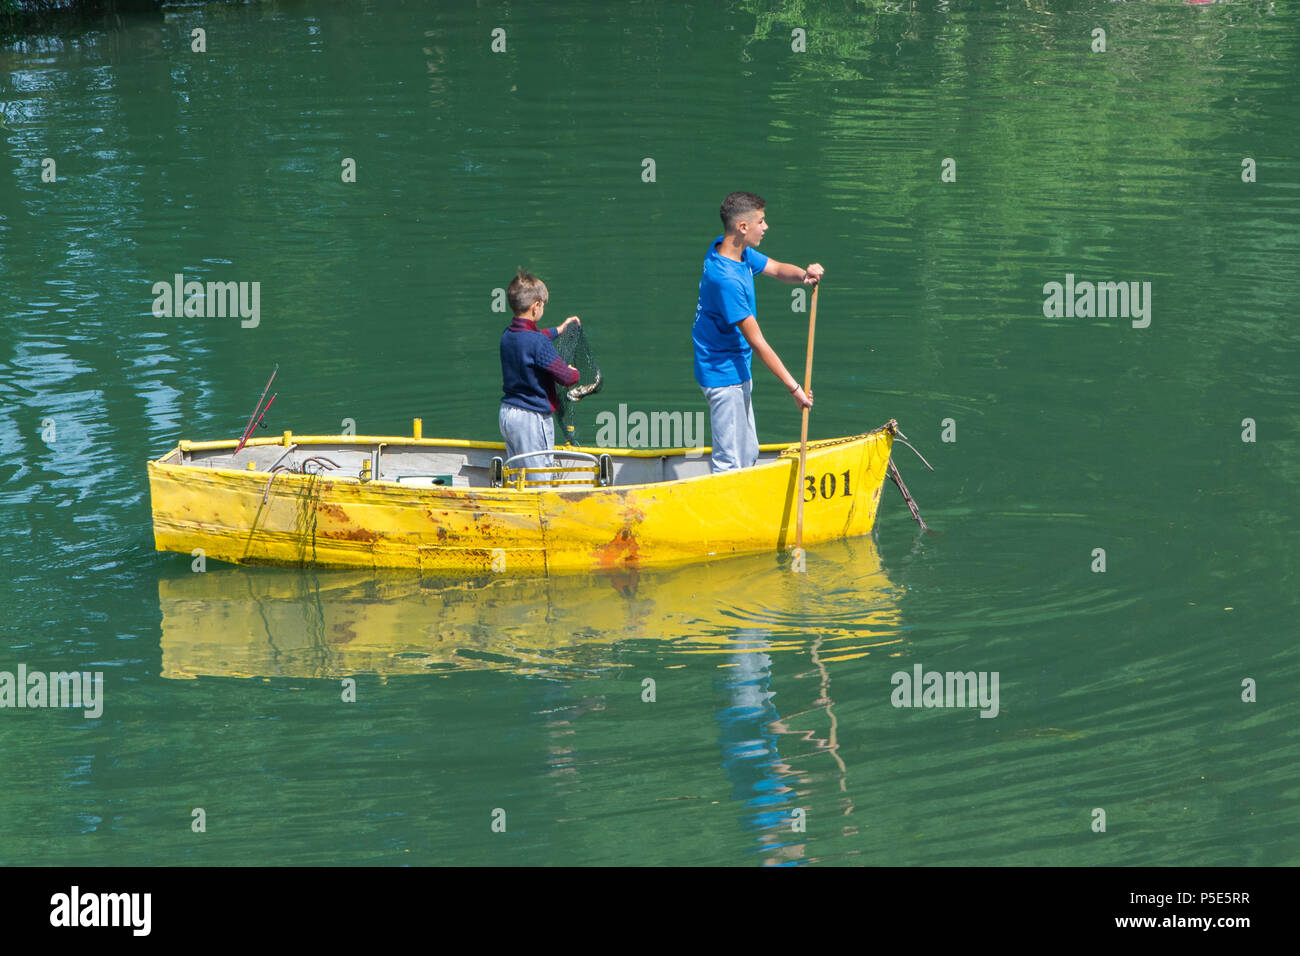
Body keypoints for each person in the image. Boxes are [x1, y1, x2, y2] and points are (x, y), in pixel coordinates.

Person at [693, 191, 823, 473]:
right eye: (761, 222)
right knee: (728, 463)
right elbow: (759, 343)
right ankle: (725, 513)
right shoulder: (726, 279)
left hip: (737, 367)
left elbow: (776, 269)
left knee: (749, 453)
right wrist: (795, 389)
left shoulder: (735, 251)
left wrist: (804, 276)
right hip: (721, 374)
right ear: (742, 227)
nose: (766, 227)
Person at [499, 269, 580, 467]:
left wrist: (559, 330)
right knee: (539, 478)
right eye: (543, 305)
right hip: (531, 420)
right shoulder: (538, 343)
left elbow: (533, 339)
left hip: (508, 414)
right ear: (536, 307)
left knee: (518, 475)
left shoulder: (507, 335)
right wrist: (574, 371)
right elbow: (566, 377)